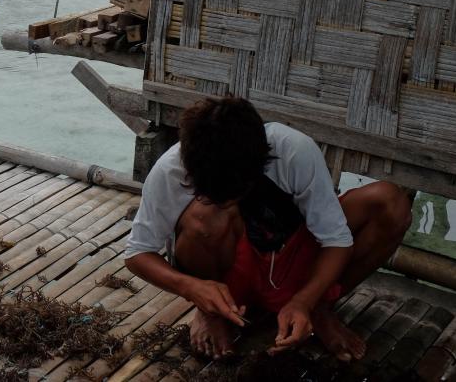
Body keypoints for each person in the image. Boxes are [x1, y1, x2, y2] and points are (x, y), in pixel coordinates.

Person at [123, 97, 411, 362]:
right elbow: (137, 253)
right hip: (232, 275)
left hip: (293, 257)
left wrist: (304, 301)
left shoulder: (293, 150)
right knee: (201, 217)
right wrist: (192, 288)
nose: (226, 202)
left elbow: (337, 240)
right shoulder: (170, 169)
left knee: (391, 203)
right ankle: (213, 312)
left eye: (231, 196)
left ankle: (319, 307)